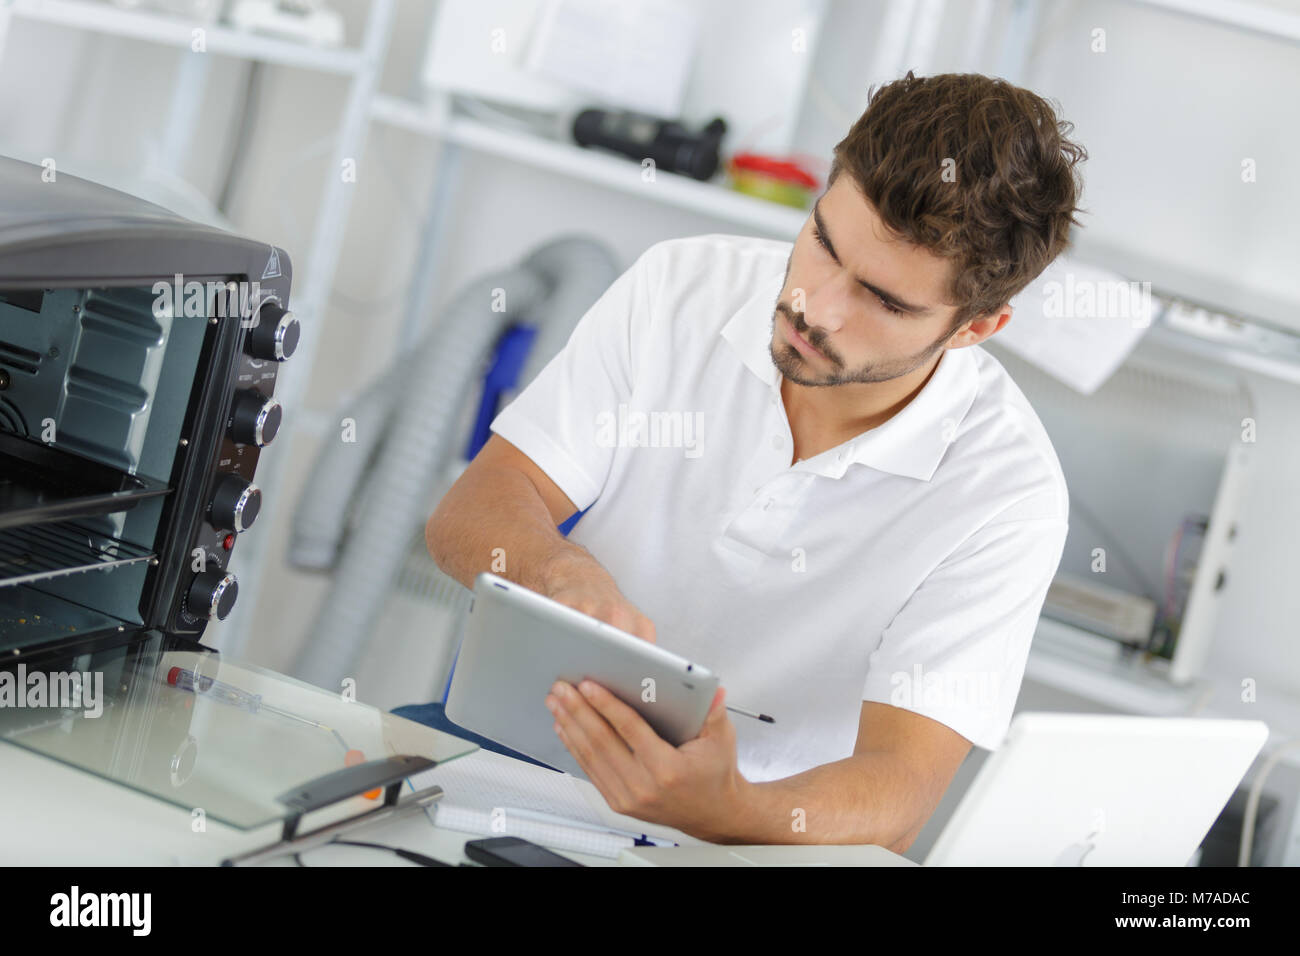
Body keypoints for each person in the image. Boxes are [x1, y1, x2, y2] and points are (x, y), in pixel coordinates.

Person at [413, 70, 1086, 849]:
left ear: (975, 327)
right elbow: (471, 512)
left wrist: (730, 808)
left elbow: (902, 787)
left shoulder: (1009, 493)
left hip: (762, 842)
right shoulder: (680, 287)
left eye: (884, 300)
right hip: (519, 764)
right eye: (823, 244)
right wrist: (557, 570)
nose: (816, 306)